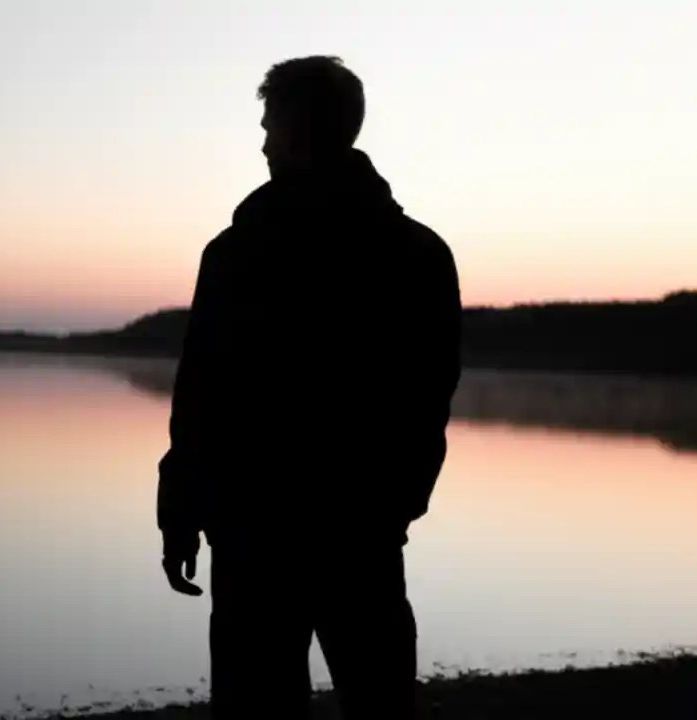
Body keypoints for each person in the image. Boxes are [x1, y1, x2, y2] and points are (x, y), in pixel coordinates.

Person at [156, 55, 462, 719]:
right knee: (377, 706)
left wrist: (182, 510)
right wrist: (396, 505)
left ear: (296, 130)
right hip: (355, 531)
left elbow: (202, 396)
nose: (262, 141)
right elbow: (430, 398)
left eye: (269, 126)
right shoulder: (420, 253)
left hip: (264, 533)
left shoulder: (237, 255)